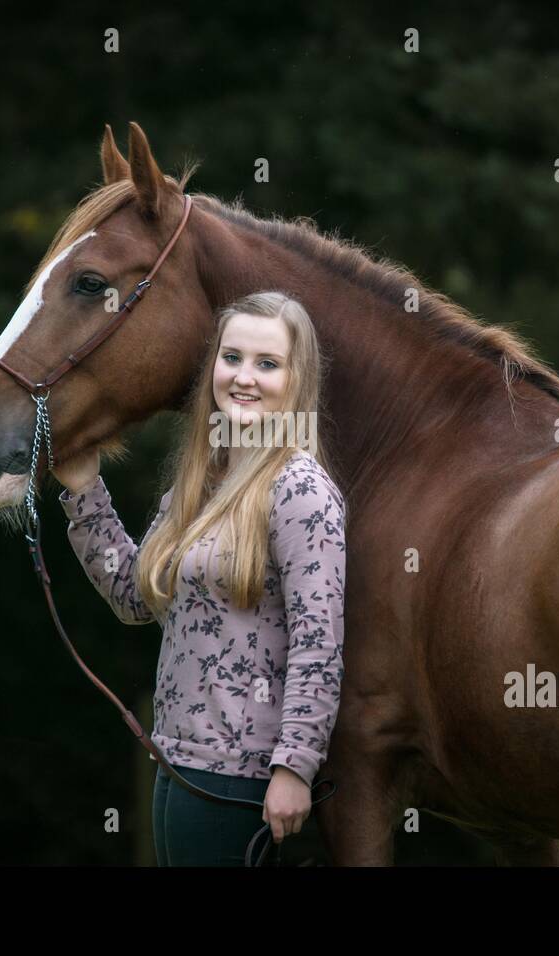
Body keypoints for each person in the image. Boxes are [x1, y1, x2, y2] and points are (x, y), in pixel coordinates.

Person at [52, 291, 347, 866]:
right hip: (175, 764)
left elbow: (321, 642)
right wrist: (84, 492)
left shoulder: (300, 490)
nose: (244, 377)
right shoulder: (199, 485)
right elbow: (135, 596)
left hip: (244, 778)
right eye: (231, 357)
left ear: (297, 379)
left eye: (268, 364)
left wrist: (294, 768)